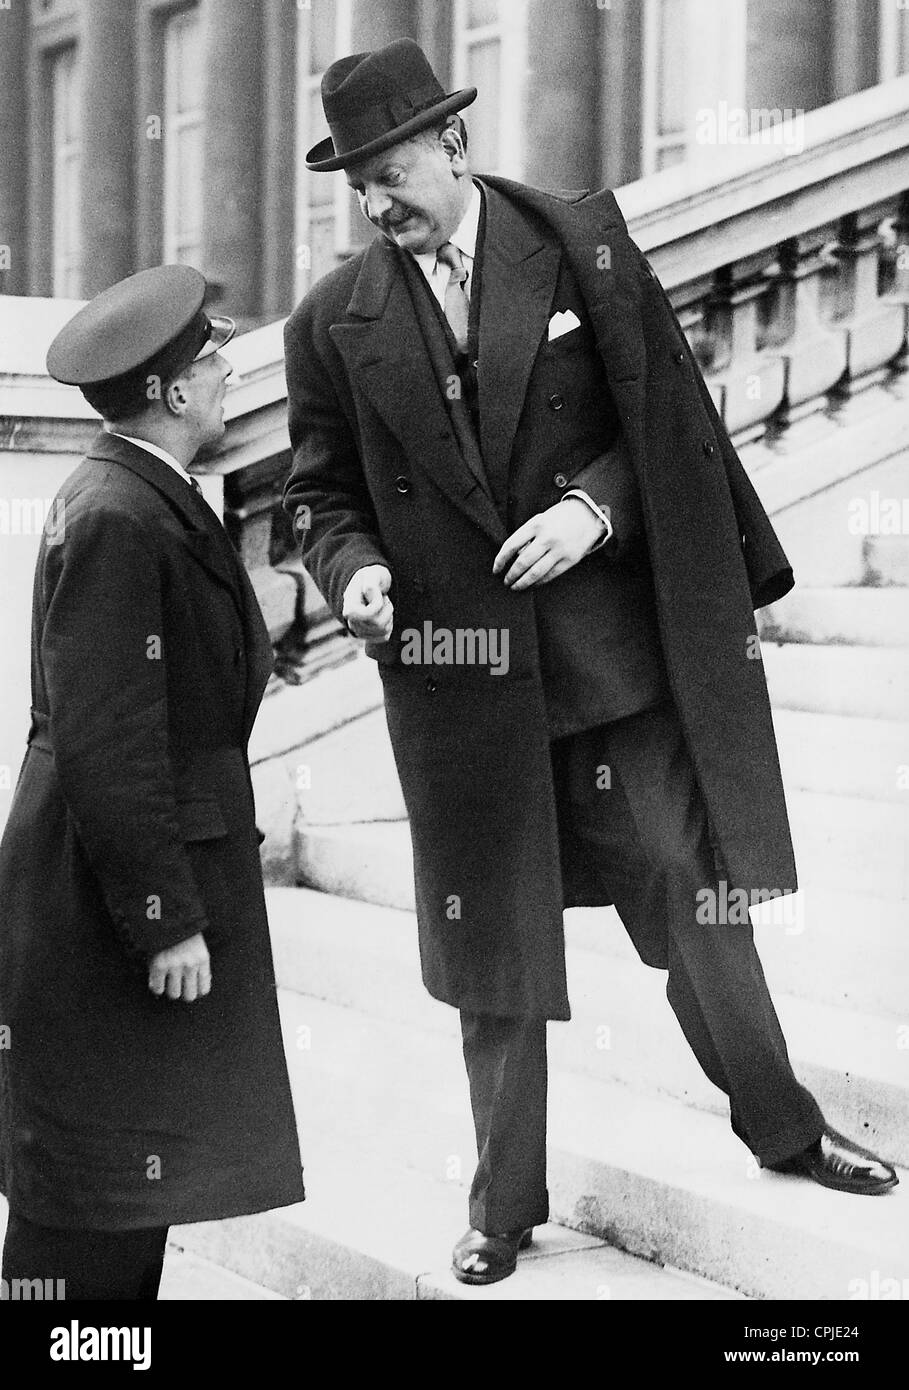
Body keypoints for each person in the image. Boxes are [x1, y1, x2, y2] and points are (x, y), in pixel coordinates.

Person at [283, 38, 897, 1287]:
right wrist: (353, 574)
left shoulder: (576, 241)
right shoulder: (328, 323)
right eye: (356, 182)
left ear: (451, 144)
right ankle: (501, 1209)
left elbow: (668, 415)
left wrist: (596, 510)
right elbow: (317, 495)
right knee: (493, 947)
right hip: (462, 687)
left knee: (690, 884)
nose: (375, 200)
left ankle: (782, 1126)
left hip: (614, 664)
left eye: (388, 168)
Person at [0, 266, 304, 1301]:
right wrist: (165, 915)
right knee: (88, 1204)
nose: (227, 372)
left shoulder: (135, 496)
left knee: (129, 1183)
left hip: (119, 891)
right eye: (212, 358)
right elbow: (105, 740)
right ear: (173, 394)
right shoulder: (119, 515)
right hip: (111, 906)